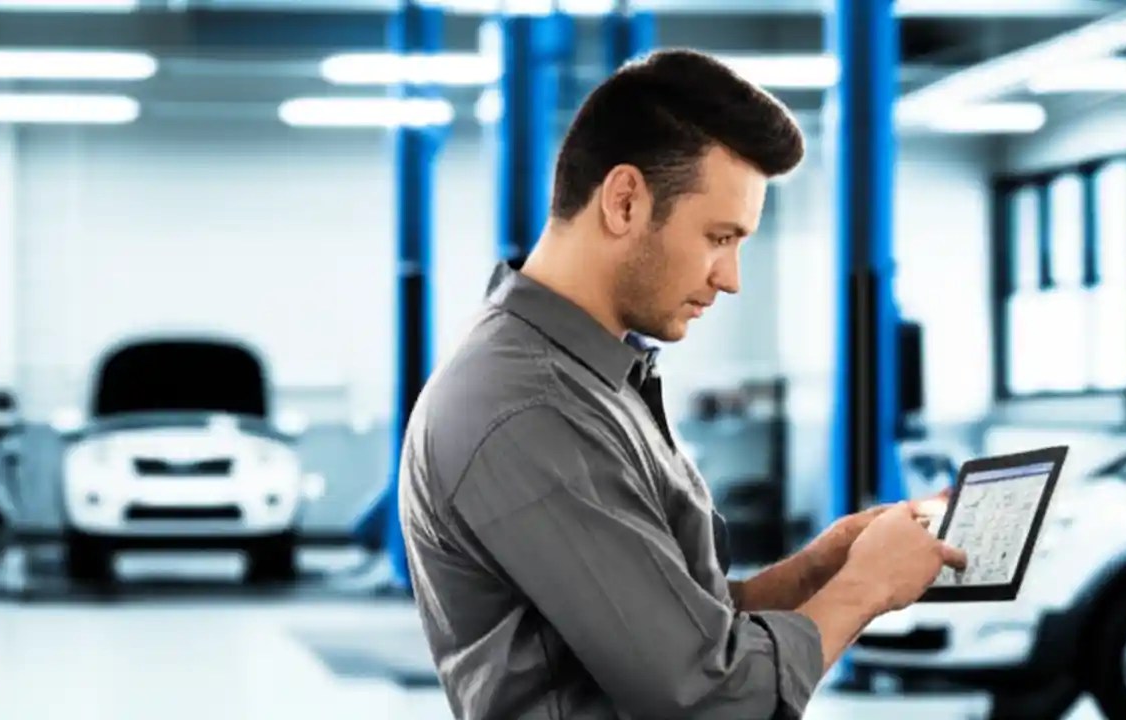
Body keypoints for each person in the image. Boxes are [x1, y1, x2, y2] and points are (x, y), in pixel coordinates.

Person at [397, 48, 967, 720]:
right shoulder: (527, 408)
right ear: (625, 201)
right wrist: (867, 589)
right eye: (719, 237)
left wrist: (823, 567)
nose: (730, 277)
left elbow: (677, 632)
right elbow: (706, 698)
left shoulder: (589, 381)